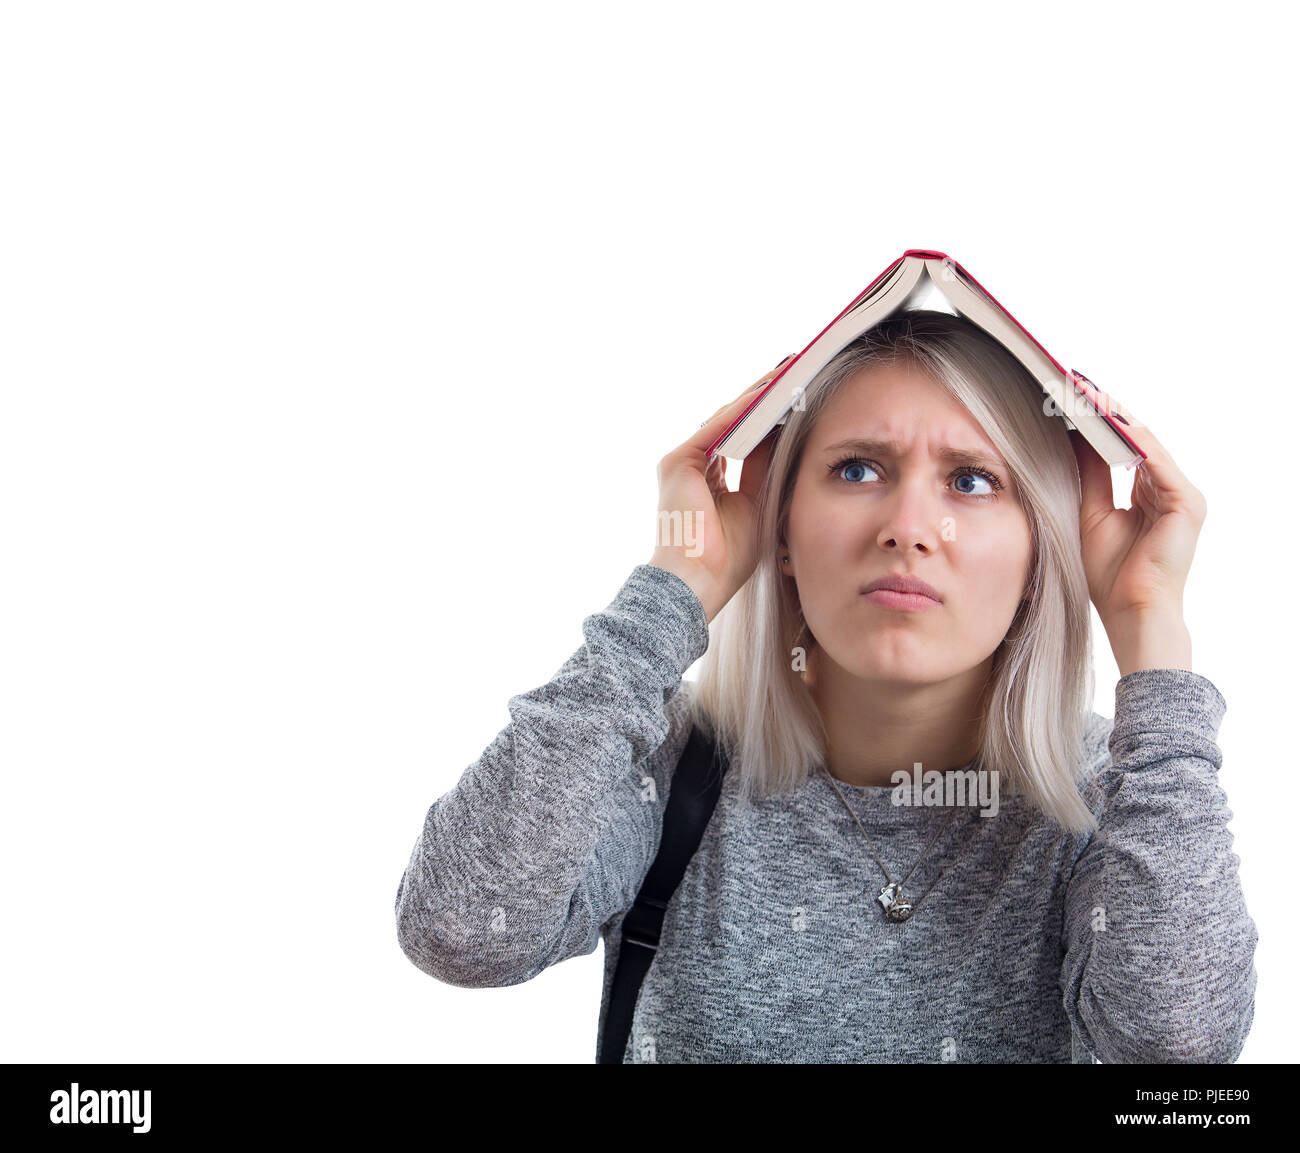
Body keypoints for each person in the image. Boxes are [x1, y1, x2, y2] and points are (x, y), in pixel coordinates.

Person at [394, 310, 1257, 1063]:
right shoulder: (670, 768)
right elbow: (462, 930)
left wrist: (1152, 636)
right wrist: (670, 593)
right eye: (857, 469)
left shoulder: (1125, 792)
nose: (909, 528)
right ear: (781, 532)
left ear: (1041, 555)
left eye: (971, 480)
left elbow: (1178, 1048)